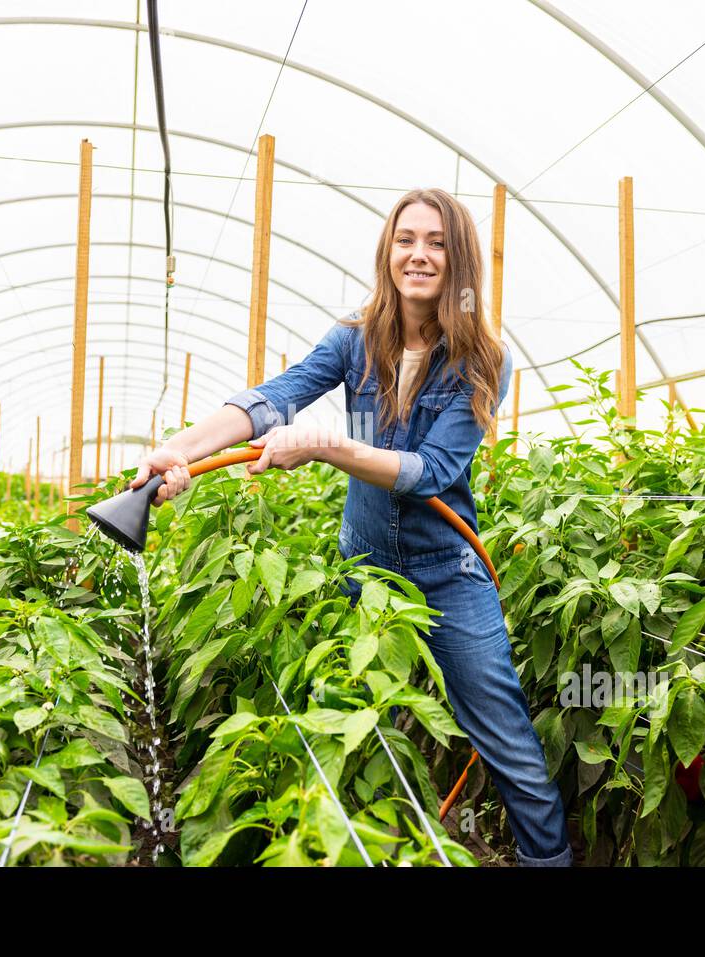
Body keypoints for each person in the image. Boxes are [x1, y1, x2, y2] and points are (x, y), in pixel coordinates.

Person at [129, 187, 572, 867]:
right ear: (388, 251)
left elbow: (430, 471)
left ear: (460, 262)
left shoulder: (483, 360)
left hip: (448, 570)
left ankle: (549, 860)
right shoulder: (355, 339)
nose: (419, 254)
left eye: (437, 242)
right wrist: (181, 448)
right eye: (406, 239)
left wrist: (328, 446)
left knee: (503, 729)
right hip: (363, 566)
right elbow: (274, 400)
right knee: (342, 722)